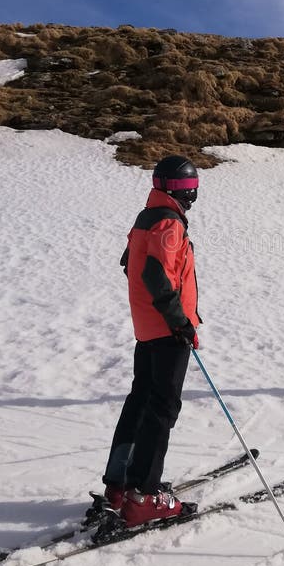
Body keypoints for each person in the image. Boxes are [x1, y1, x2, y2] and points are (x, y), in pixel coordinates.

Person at [102, 155, 201, 527]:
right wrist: (180, 323)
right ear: (180, 190)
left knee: (141, 401)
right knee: (162, 408)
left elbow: (131, 263)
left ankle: (121, 482)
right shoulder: (168, 222)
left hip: (147, 327)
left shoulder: (146, 217)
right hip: (166, 330)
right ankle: (144, 494)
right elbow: (156, 275)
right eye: (190, 189)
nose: (192, 196)